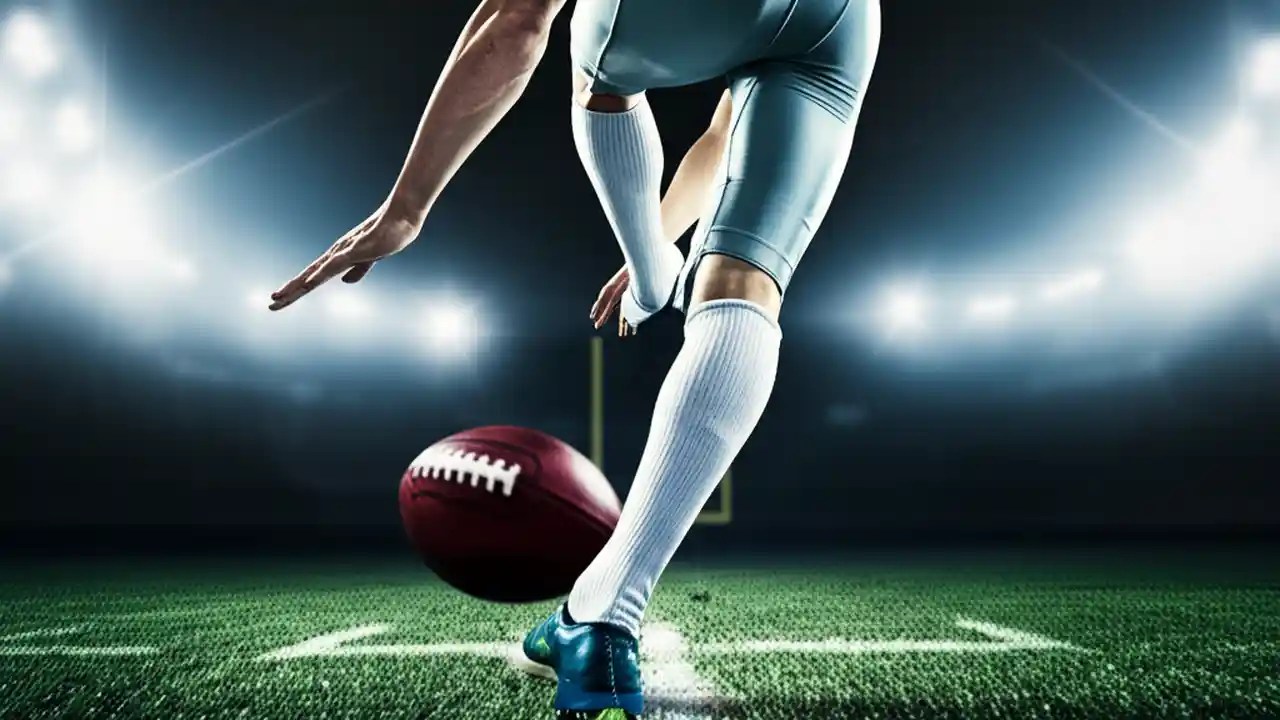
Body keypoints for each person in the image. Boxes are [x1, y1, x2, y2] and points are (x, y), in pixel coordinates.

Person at [270, 0, 880, 717]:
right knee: (744, 290)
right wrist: (662, 225)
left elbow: (515, 17)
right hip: (838, 20)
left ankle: (653, 274)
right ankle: (600, 616)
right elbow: (728, 128)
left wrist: (407, 206)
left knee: (595, 62)